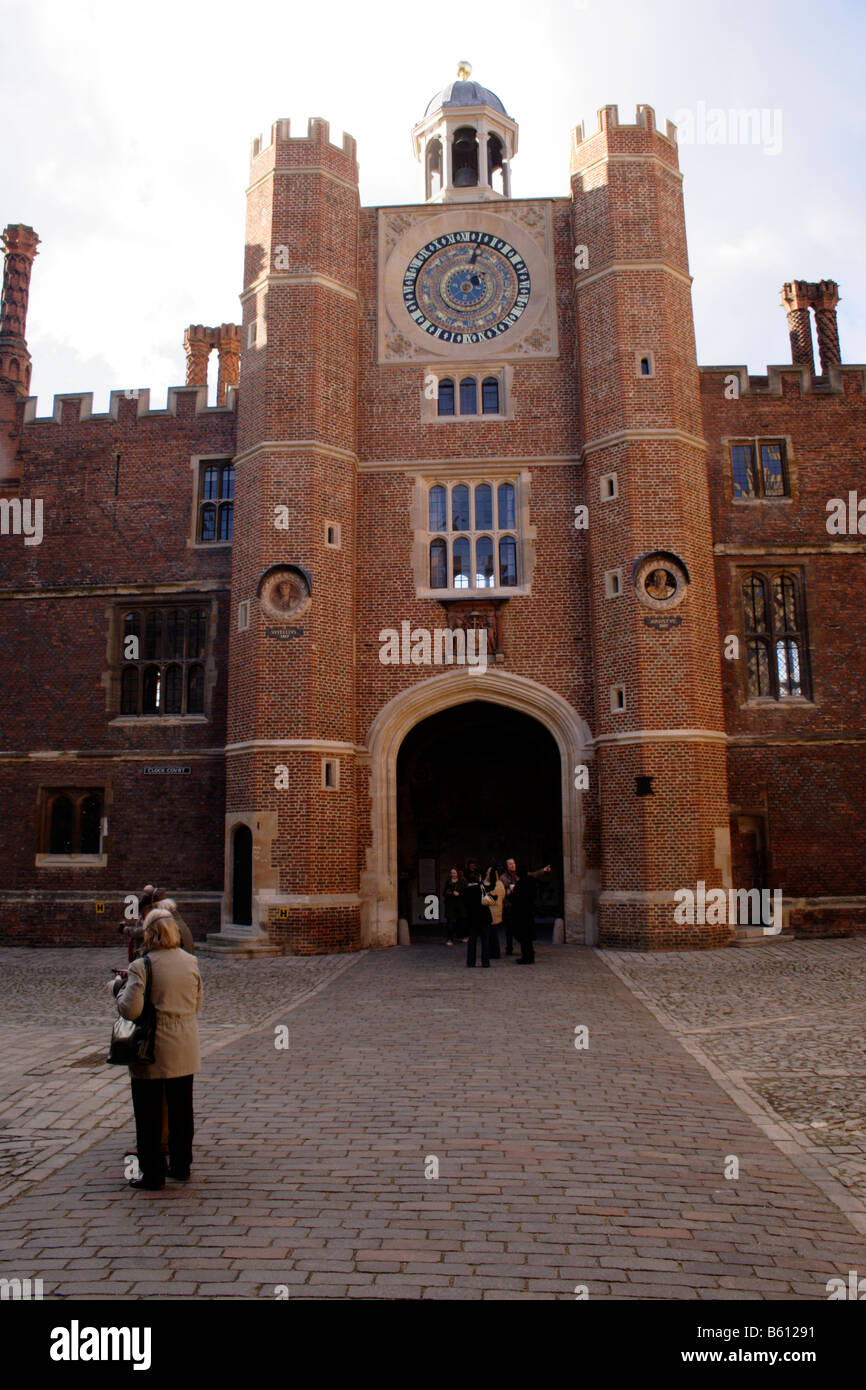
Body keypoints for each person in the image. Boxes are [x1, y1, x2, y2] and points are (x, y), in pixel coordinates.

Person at [113, 906, 203, 1190]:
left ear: (149, 934)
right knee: (181, 1109)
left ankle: (152, 1174)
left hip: (152, 1048)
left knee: (149, 1113)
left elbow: (130, 1009)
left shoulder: (142, 965)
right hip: (185, 1044)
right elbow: (198, 1003)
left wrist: (117, 990)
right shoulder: (191, 962)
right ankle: (181, 1165)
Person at [503, 859, 552, 965]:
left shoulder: (520, 884)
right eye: (510, 864)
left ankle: (526, 957)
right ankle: (529, 956)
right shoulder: (530, 882)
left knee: (524, 937)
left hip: (521, 913)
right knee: (527, 937)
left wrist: (511, 893)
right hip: (529, 912)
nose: (512, 866)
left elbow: (513, 898)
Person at [463, 861, 492, 968]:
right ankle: (485, 962)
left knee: (472, 941)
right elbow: (488, 900)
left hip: (472, 918)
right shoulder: (482, 889)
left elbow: (465, 904)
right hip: (484, 917)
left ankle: (471, 961)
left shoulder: (467, 891)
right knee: (485, 942)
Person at [482, 863, 505, 959]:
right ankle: (496, 952)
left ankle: (490, 952)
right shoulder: (500, 883)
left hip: (489, 912)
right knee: (494, 933)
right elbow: (503, 896)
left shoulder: (487, 884)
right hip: (498, 911)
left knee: (489, 934)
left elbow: (484, 899)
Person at [442, 867, 465, 946]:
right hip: (450, 904)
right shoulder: (448, 882)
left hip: (459, 904)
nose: (453, 874)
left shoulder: (462, 882)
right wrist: (450, 893)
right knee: (450, 922)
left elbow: (465, 892)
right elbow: (444, 893)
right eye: (452, 873)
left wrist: (459, 894)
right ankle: (449, 938)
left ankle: (461, 935)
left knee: (461, 922)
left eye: (454, 873)